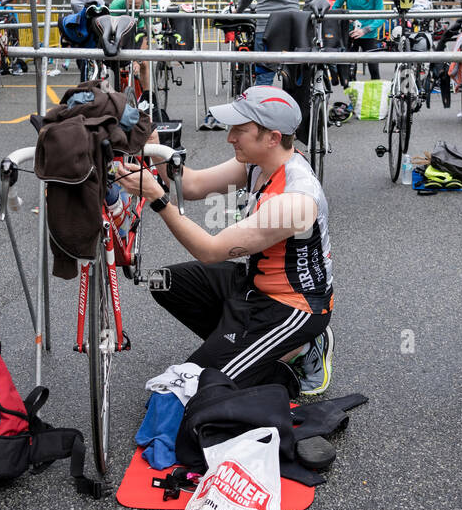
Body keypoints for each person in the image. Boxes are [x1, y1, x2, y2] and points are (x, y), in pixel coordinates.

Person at [114, 85, 333, 396]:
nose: (230, 136)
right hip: (255, 286)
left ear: (272, 137)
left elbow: (211, 250)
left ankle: (294, 351)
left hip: (291, 307)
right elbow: (191, 185)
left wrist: (157, 198)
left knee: (197, 394)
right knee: (164, 281)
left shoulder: (297, 199)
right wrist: (154, 145)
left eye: (240, 130)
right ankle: (244, 346)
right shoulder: (260, 162)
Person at [332, 0, 385, 81]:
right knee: (350, 69)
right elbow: (335, 7)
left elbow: (381, 16)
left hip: (369, 34)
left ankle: (375, 97)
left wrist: (366, 30)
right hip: (351, 33)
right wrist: (345, 16)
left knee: (374, 69)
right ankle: (353, 97)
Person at [109, 0, 148, 92]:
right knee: (119, 61)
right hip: (120, 31)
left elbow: (145, 37)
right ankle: (117, 90)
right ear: (126, 0)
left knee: (143, 62)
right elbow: (112, 31)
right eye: (130, 5)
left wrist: (137, 60)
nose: (133, 9)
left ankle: (146, 95)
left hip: (138, 31)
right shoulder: (116, 5)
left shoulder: (146, 6)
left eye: (137, 6)